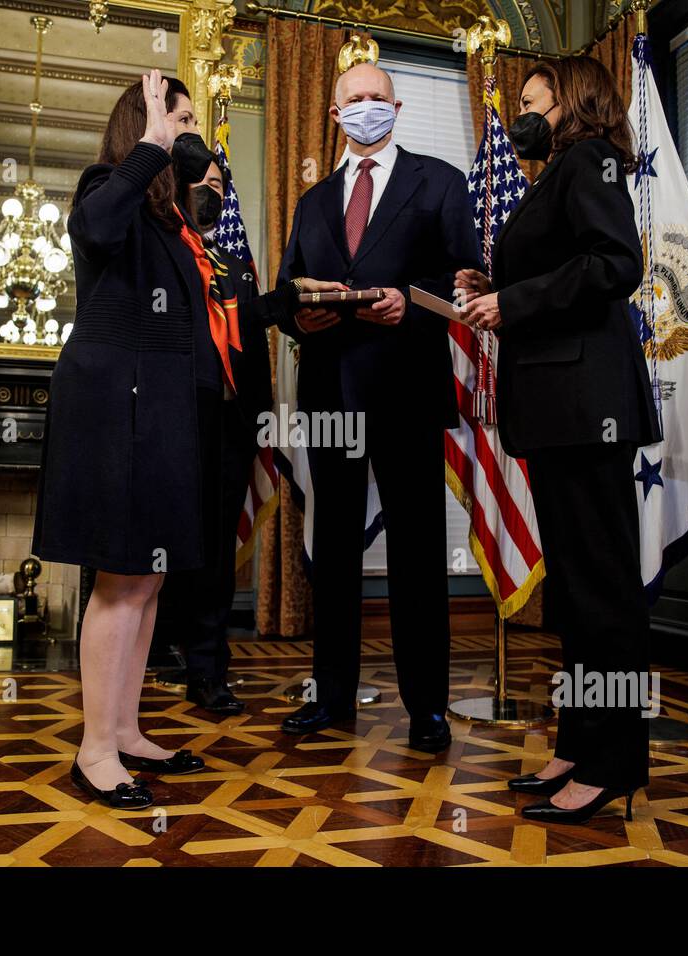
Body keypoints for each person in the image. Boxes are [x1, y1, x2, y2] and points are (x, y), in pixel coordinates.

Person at [31, 70, 343, 809]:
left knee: (148, 580)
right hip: (117, 409)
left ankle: (127, 729)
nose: (192, 130)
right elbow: (97, 229)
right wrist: (150, 143)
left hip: (168, 410)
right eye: (183, 116)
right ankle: (95, 750)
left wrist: (288, 307)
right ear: (146, 123)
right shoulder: (105, 186)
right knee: (120, 581)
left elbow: (211, 321)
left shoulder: (175, 222)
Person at [456, 56, 660, 824]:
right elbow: (558, 271)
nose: (522, 113)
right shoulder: (559, 174)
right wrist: (493, 293)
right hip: (557, 411)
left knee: (602, 592)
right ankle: (580, 743)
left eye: (533, 99)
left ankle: (614, 763)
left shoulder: (592, 159)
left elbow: (617, 264)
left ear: (571, 101)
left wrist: (516, 300)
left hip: (588, 407)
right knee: (575, 595)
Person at [275, 62, 482, 752]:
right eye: (353, 101)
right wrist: (303, 317)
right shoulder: (311, 202)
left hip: (409, 391)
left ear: (397, 107)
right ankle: (330, 699)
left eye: (377, 99)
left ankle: (428, 708)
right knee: (331, 554)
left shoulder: (441, 181)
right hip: (330, 392)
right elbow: (283, 296)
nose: (367, 109)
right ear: (334, 115)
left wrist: (410, 305)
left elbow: (463, 283)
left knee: (417, 555)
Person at [149, 160, 276, 715]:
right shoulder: (161, 252)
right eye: (199, 185)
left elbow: (248, 326)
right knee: (162, 546)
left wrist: (294, 296)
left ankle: (208, 669)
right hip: (172, 424)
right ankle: (150, 651)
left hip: (229, 427)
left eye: (220, 187)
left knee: (215, 556)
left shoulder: (231, 264)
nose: (210, 194)